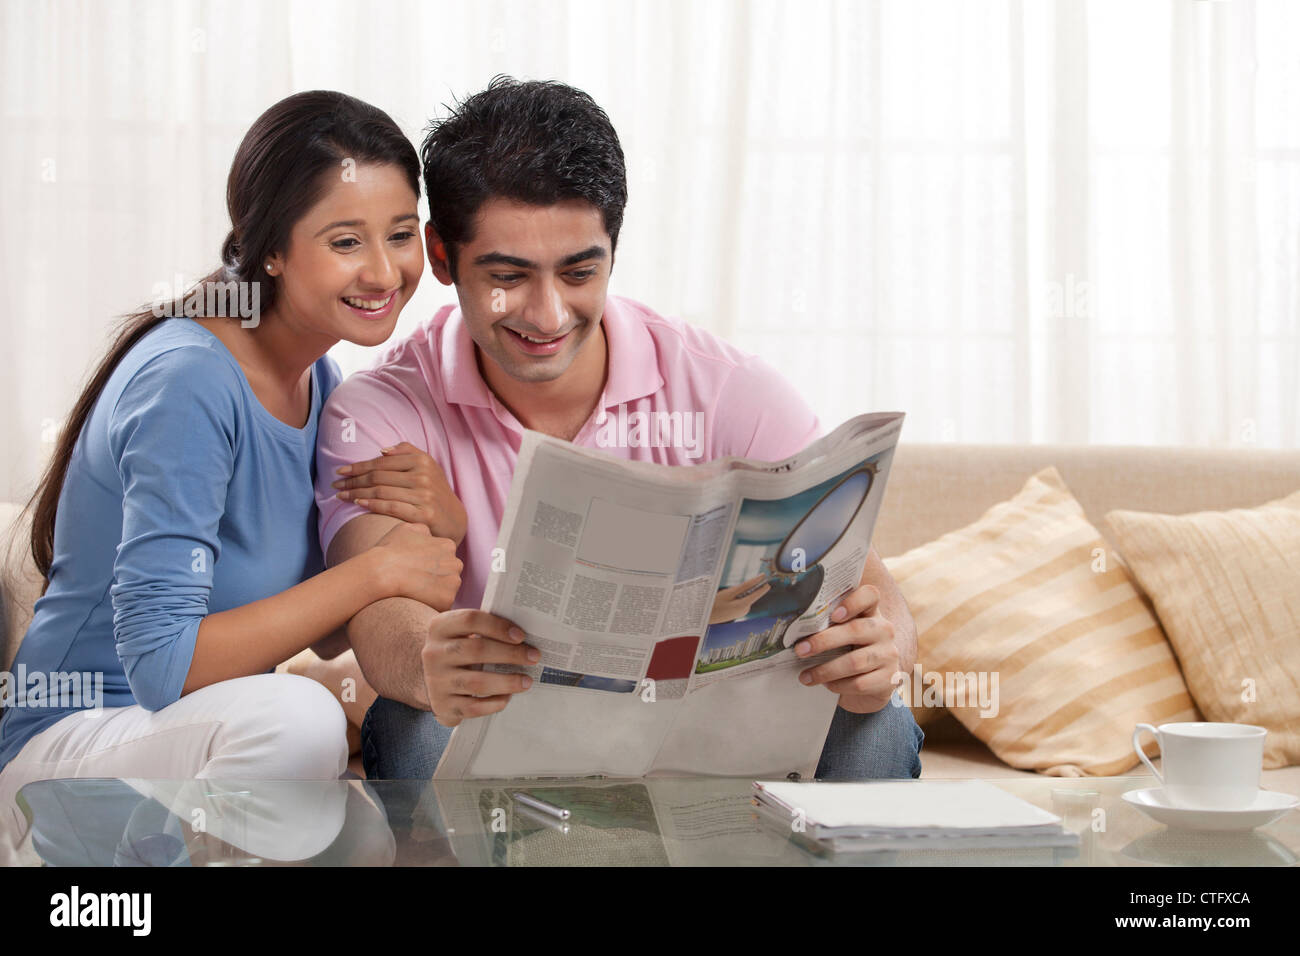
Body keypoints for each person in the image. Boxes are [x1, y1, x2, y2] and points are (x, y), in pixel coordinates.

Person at [316, 78, 924, 781]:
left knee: (879, 725)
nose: (546, 315)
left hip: (724, 736)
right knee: (415, 727)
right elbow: (380, 610)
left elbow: (872, 587)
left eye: (579, 272)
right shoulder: (381, 411)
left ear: (613, 249)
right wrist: (429, 663)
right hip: (512, 740)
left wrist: (886, 650)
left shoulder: (726, 389)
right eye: (508, 276)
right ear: (443, 257)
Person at [0, 91, 463, 857]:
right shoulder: (189, 381)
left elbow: (341, 619)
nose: (386, 270)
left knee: (368, 841)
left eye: (402, 233)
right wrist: (377, 570)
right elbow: (162, 669)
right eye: (346, 241)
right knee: (300, 722)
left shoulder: (325, 385)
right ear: (270, 249)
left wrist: (437, 529)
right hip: (65, 752)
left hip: (181, 747)